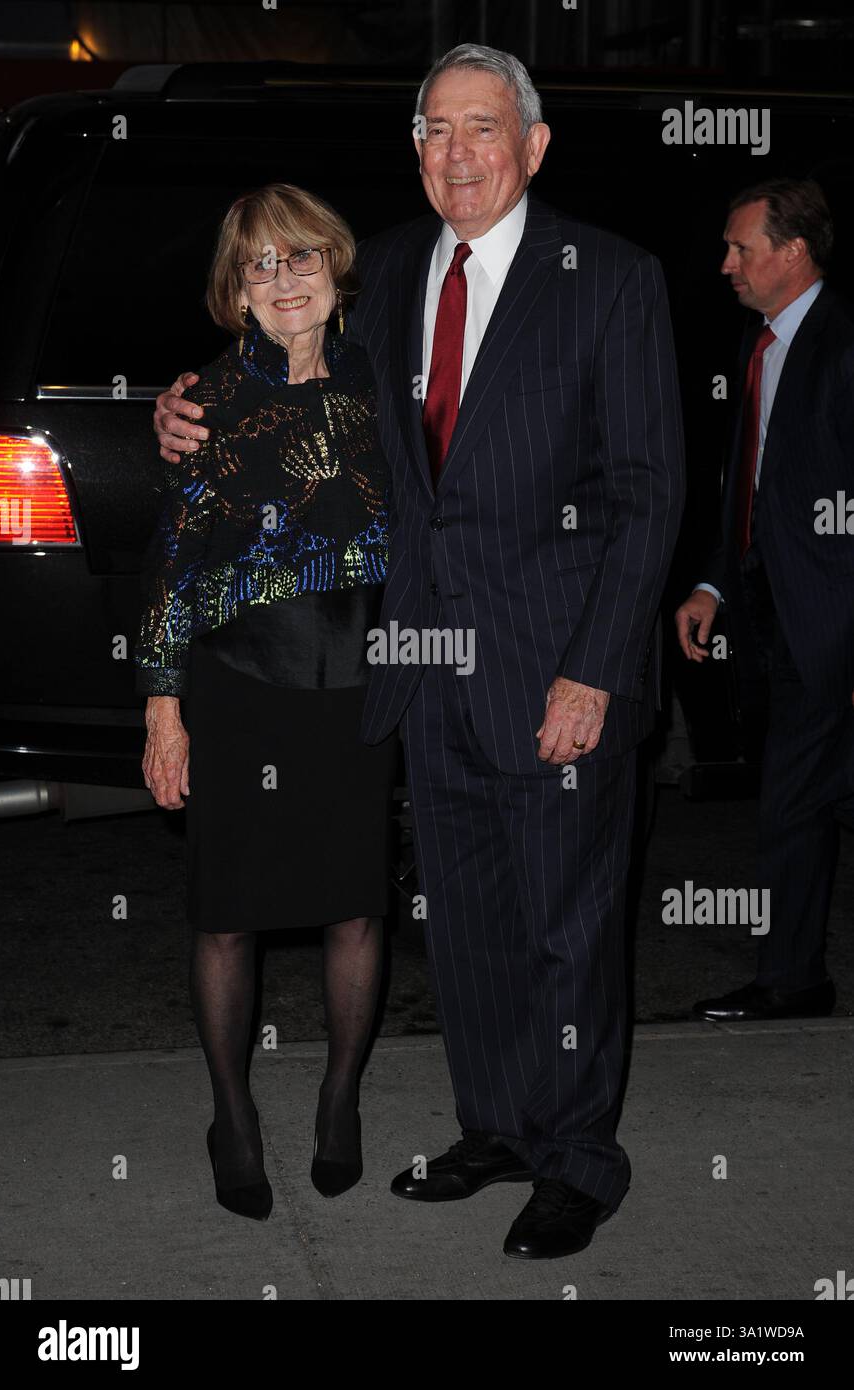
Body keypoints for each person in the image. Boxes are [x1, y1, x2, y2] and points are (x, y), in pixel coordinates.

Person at [155, 45, 685, 1260]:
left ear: (532, 146)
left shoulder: (608, 277)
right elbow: (281, 367)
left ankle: (576, 1159)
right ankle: (494, 1124)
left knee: (567, 926)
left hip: (558, 672)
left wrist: (593, 667)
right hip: (418, 672)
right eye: (435, 129)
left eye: (482, 129)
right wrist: (179, 407)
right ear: (414, 148)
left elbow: (649, 492)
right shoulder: (385, 271)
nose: (457, 153)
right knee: (472, 925)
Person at [136, 183, 396, 1221]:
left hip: (361, 692)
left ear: (335, 272)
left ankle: (340, 1099)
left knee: (356, 903)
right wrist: (163, 712)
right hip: (241, 687)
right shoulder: (204, 399)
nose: (284, 278)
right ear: (235, 290)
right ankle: (231, 1113)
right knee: (228, 914)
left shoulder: (386, 380)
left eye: (300, 257)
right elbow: (169, 568)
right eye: (260, 263)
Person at [675, 178, 854, 1023]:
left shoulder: (843, 343)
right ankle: (797, 976)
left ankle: (791, 980)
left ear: (794, 251)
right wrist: (714, 581)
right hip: (773, 618)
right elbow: (751, 486)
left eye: (741, 248)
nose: (726, 265)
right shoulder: (760, 344)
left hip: (828, 626)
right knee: (813, 793)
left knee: (792, 796)